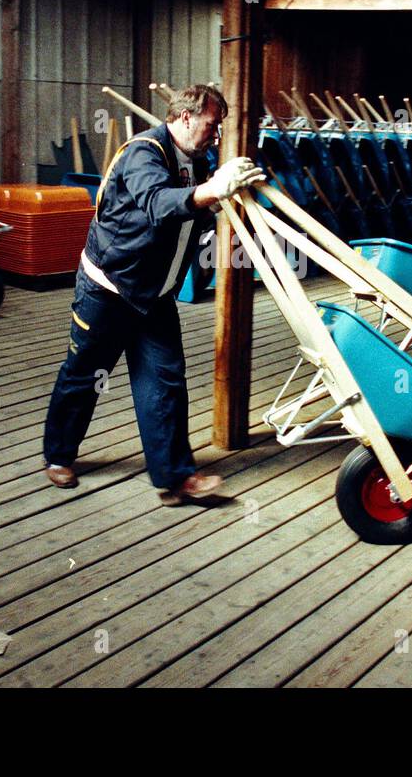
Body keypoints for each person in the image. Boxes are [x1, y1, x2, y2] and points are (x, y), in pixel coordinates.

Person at [42, 84, 265, 504]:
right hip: (109, 289)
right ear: (185, 118)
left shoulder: (195, 162)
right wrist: (214, 190)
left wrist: (219, 194)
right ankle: (58, 456)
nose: (215, 137)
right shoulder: (143, 153)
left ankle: (173, 478)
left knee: (164, 381)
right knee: (85, 375)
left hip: (153, 295)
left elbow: (189, 211)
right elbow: (160, 205)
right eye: (211, 126)